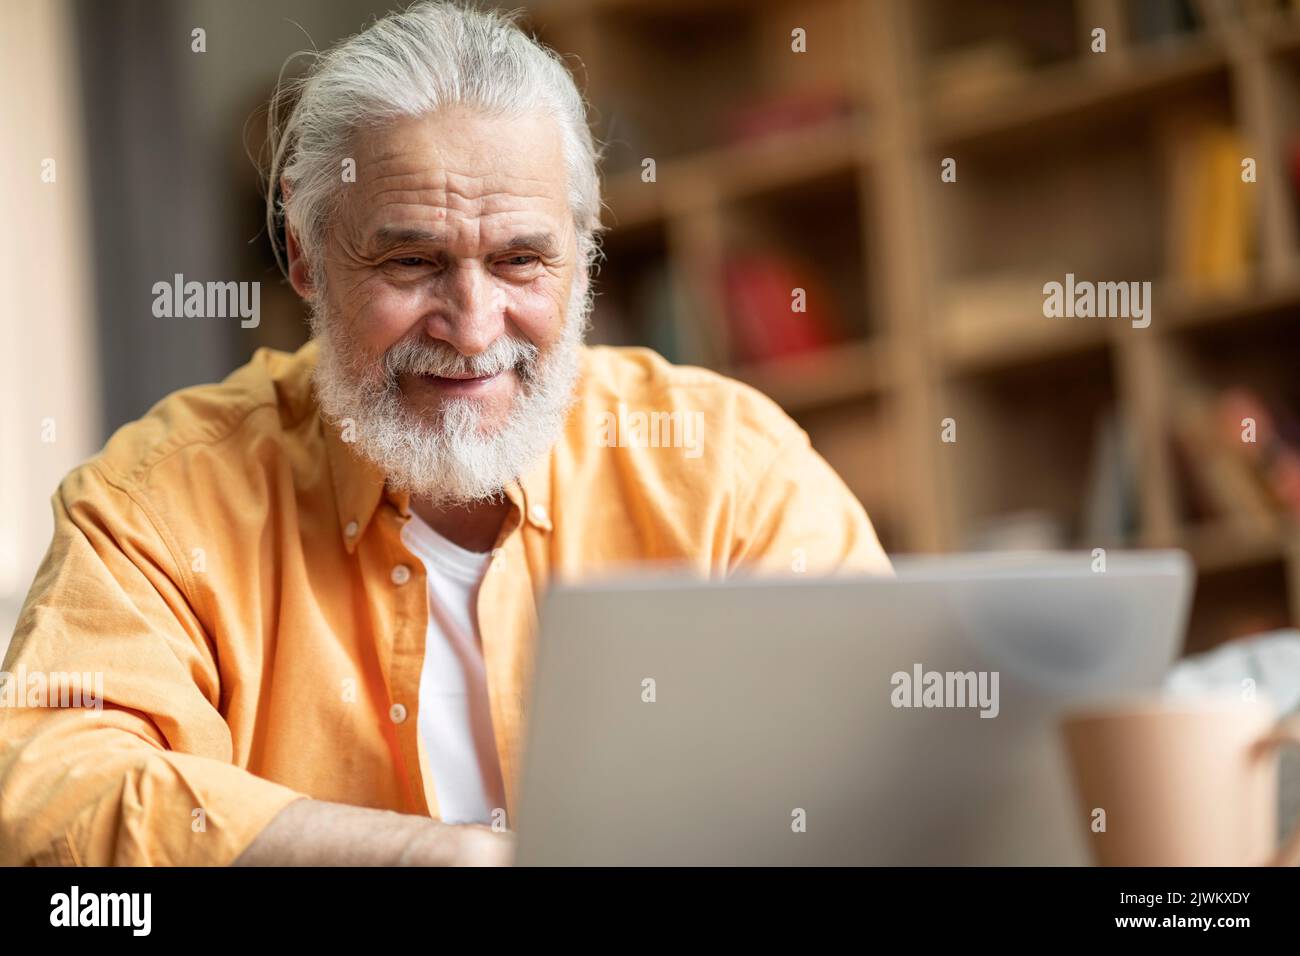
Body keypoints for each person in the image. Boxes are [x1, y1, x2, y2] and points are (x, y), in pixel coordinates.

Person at [0, 0, 890, 867]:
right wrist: (415, 859)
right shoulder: (159, 500)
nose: (472, 328)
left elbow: (889, 754)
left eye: (520, 260)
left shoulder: (731, 470)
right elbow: (51, 797)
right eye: (412, 262)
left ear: (584, 253)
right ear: (305, 253)